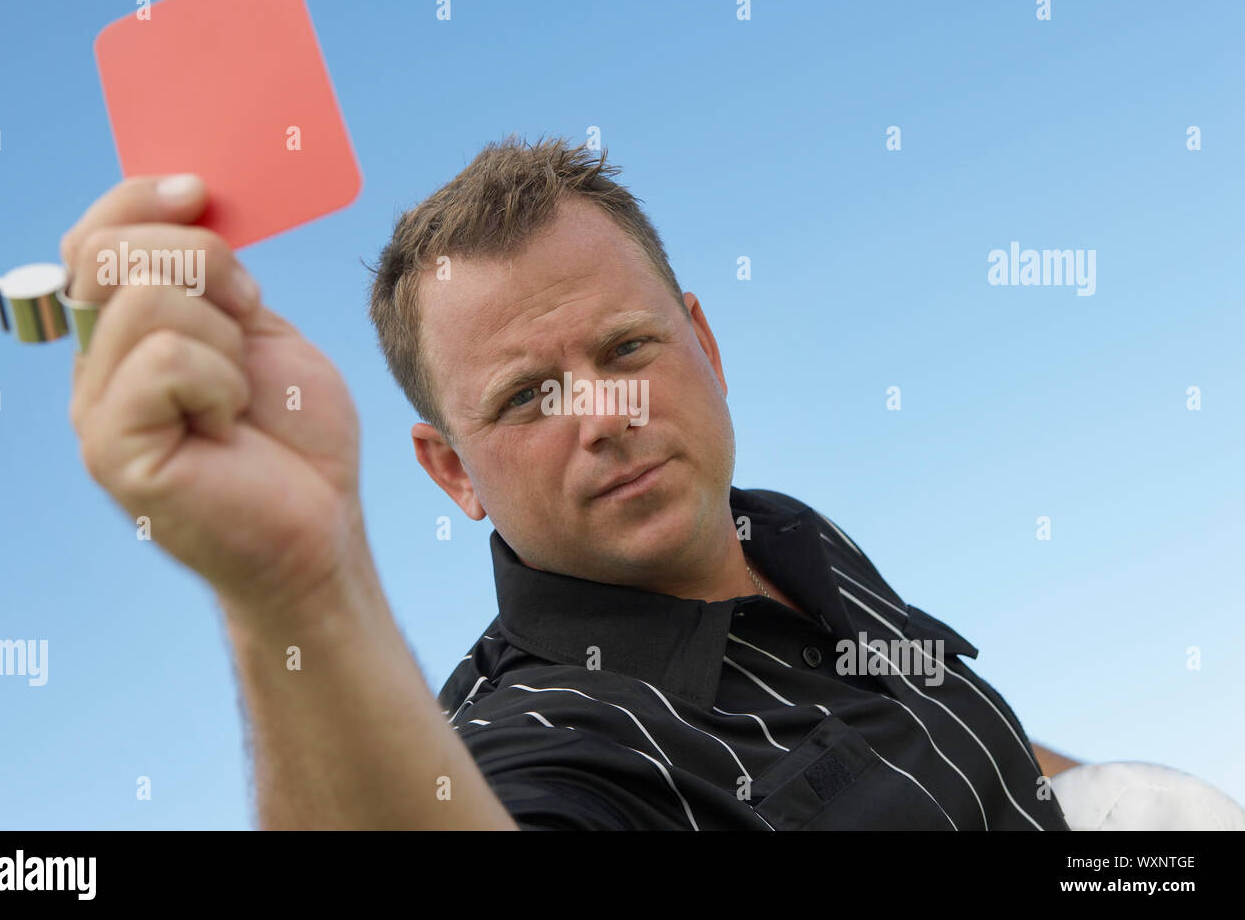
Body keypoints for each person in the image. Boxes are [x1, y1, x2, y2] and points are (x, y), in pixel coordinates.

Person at [61, 133, 1077, 829]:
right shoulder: (543, 739)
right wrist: (294, 591)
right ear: (452, 470)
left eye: (628, 348)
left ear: (706, 347)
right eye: (527, 397)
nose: (606, 417)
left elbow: (958, 737)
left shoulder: (790, 538)